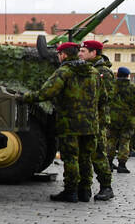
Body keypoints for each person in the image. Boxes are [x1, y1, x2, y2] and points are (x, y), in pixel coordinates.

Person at [25, 41, 100, 201]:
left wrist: (25, 97)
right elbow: (103, 97)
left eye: (59, 54)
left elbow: (46, 93)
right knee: (85, 157)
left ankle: (71, 191)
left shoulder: (64, 71)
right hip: (90, 123)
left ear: (64, 54)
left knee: (71, 157)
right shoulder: (93, 72)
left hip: (70, 123)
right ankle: (85, 191)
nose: (58, 57)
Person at [78, 40, 114, 200]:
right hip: (87, 118)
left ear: (94, 53)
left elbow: (106, 97)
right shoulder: (88, 69)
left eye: (84, 51)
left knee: (98, 152)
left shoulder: (102, 72)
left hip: (97, 119)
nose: (80, 53)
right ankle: (84, 187)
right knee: (84, 154)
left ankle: (106, 187)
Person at [108, 67, 135, 173]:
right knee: (125, 142)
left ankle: (109, 163)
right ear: (128, 76)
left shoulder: (111, 86)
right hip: (128, 119)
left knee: (111, 141)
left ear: (117, 75)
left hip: (112, 118)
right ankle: (122, 165)